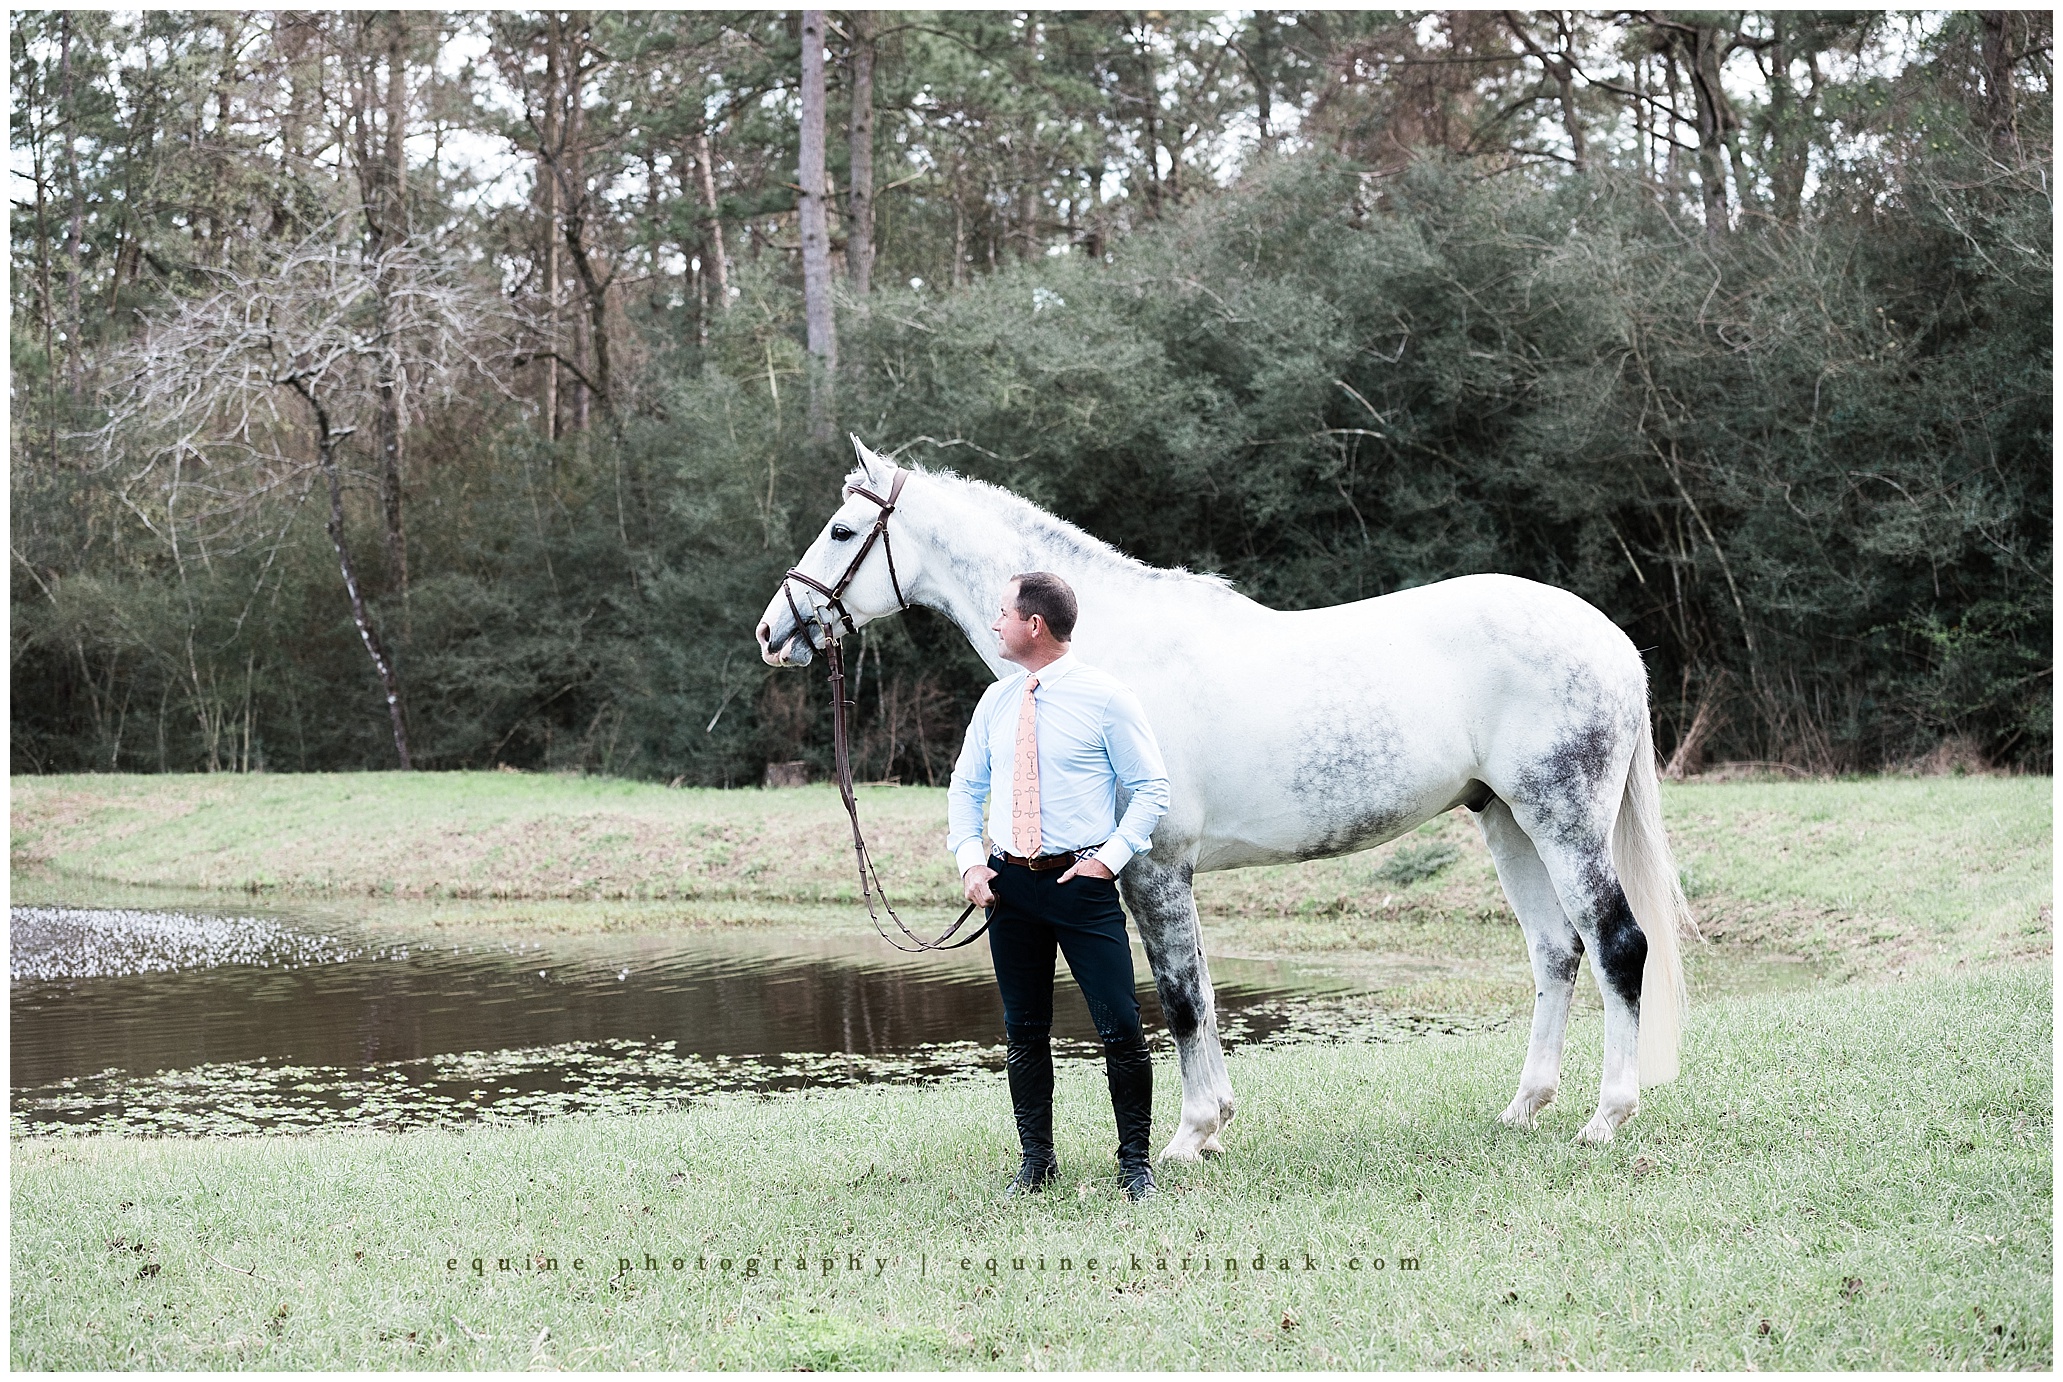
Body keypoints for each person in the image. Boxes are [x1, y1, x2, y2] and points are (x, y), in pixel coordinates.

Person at [947, 571, 1172, 1202]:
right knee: (1024, 1029)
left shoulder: (1106, 697)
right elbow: (965, 789)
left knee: (1121, 1026)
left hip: (1081, 887)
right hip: (1009, 890)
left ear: (1033, 624)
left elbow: (1152, 789)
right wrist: (971, 862)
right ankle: (1037, 1162)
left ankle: (1135, 1166)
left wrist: (1110, 859)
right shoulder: (994, 702)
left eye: (1002, 613)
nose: (995, 623)